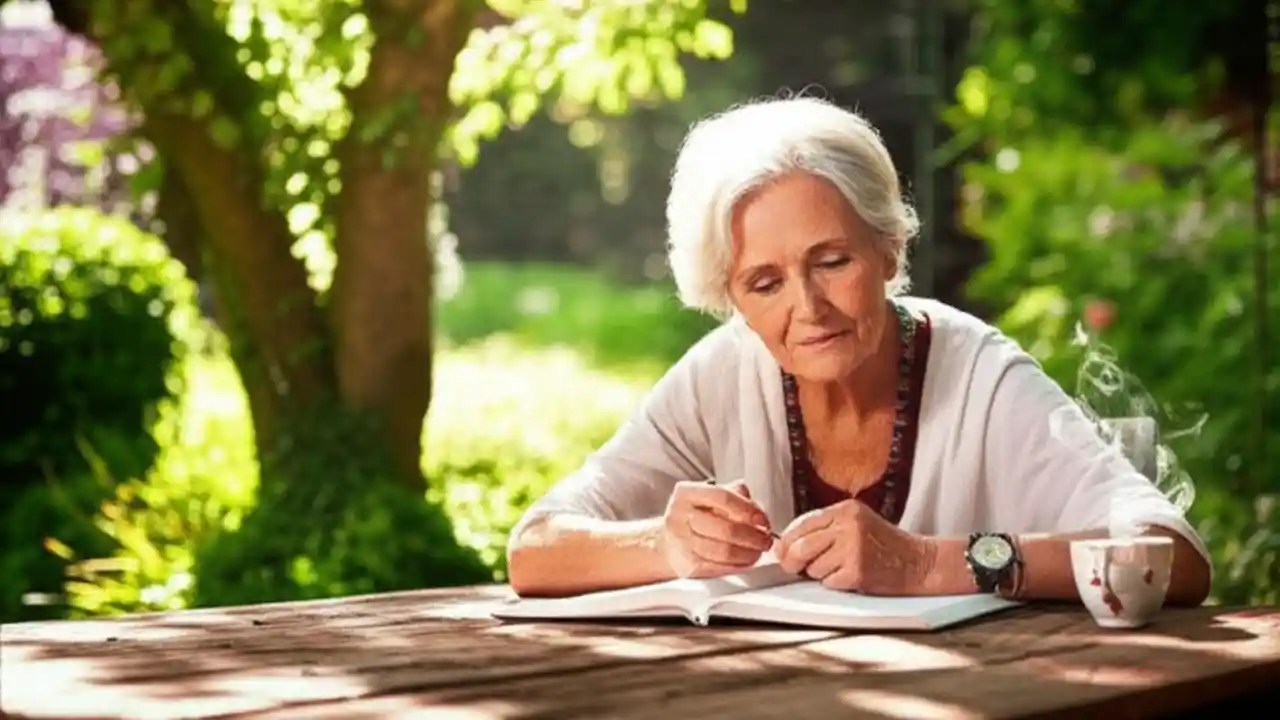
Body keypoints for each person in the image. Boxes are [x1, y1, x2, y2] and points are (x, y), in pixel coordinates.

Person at [505, 96, 1212, 605]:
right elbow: (534, 551)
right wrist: (664, 544)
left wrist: (932, 563)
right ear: (731, 297)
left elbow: (1172, 557)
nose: (806, 308)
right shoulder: (721, 373)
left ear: (888, 248)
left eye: (831, 261)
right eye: (764, 282)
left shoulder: (981, 375)